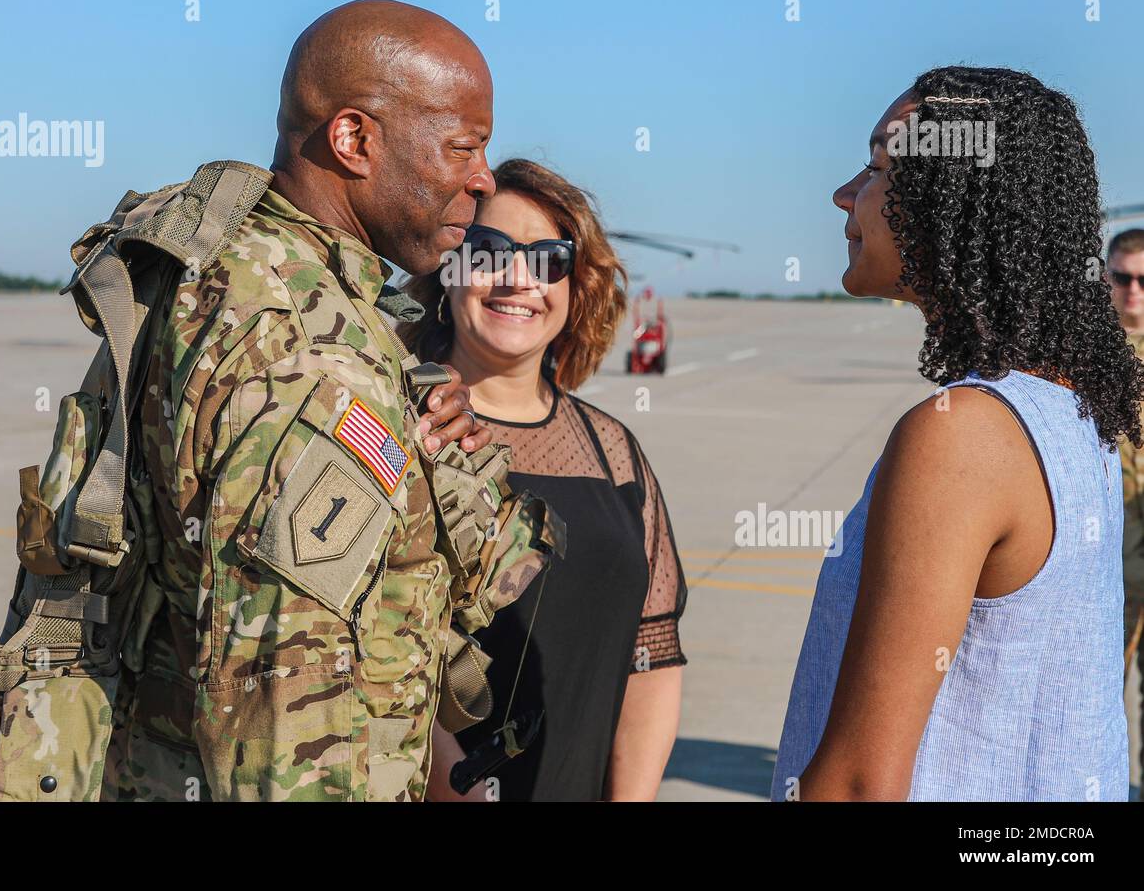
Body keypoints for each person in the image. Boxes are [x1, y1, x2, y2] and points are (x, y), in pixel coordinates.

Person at [107, 0, 500, 801]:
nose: (482, 178)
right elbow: (282, 695)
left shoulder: (251, 279)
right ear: (354, 139)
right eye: (463, 147)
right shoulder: (310, 354)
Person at [771, 66, 1144, 802]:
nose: (845, 194)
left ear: (957, 201)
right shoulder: (1074, 411)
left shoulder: (961, 436)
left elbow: (856, 782)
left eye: (879, 168)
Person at [403, 158, 687, 802]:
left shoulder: (613, 451)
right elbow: (373, 660)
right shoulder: (395, 423)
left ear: (574, 284)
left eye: (549, 257)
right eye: (487, 251)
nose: (519, 278)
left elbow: (654, 656)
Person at [1106, 227, 1144, 781]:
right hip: (1106, 566)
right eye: (1122, 277)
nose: (1134, 289)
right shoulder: (1079, 353)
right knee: (1095, 698)